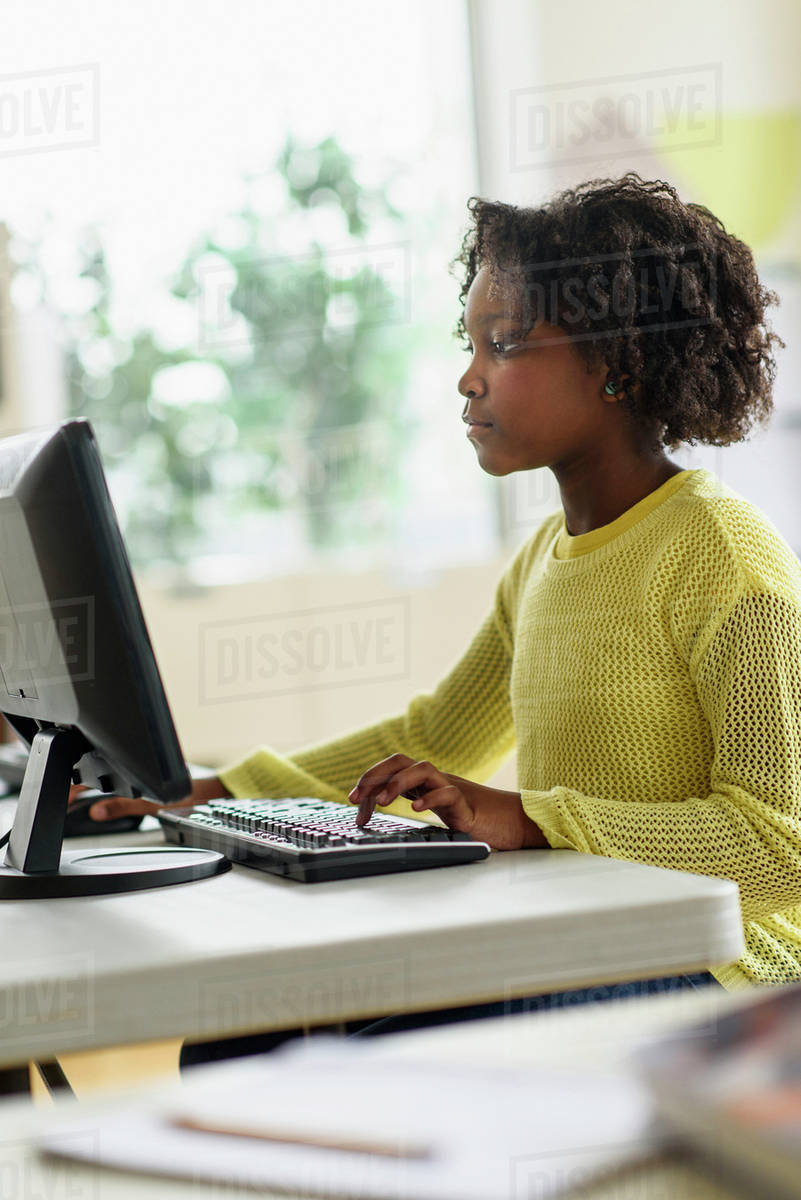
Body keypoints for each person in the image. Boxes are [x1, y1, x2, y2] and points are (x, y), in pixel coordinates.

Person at [83, 173, 801, 1017]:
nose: (468, 379)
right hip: (582, 933)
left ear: (617, 362)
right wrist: (222, 789)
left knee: (374, 1031)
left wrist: (529, 819)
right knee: (254, 1021)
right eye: (470, 346)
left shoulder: (720, 553)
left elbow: (778, 844)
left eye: (503, 346)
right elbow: (432, 737)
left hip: (716, 969)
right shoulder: (542, 560)